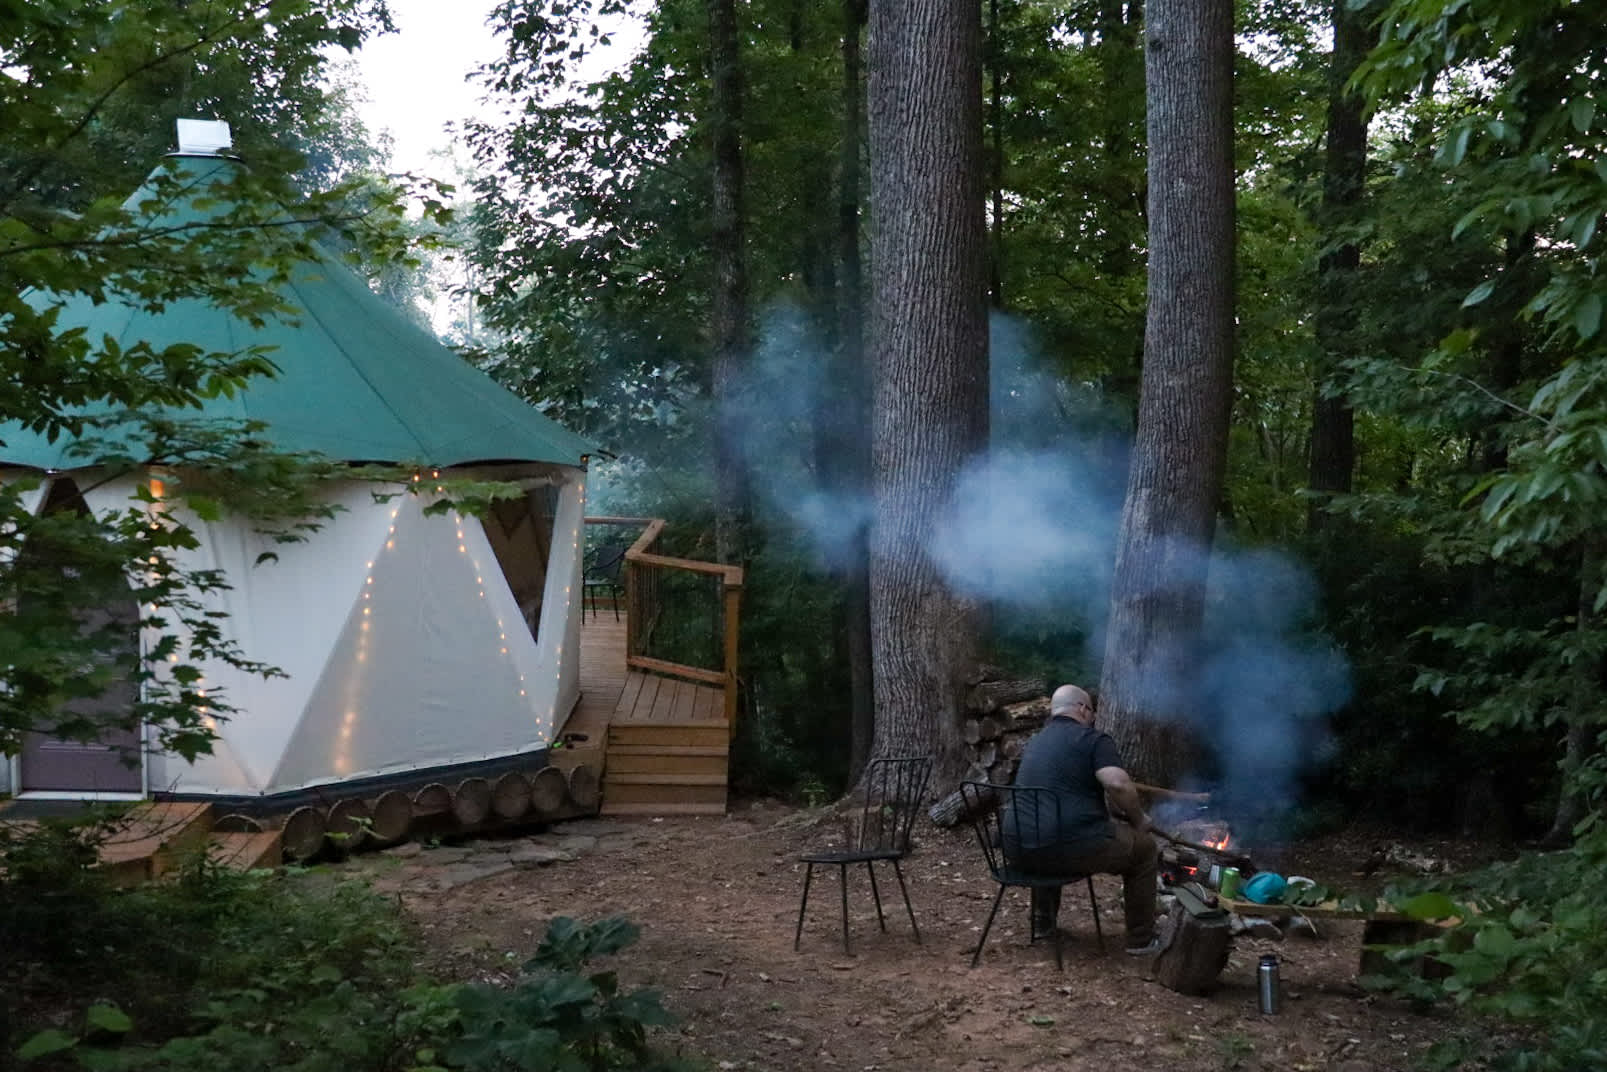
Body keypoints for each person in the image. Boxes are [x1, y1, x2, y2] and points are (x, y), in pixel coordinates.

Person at [1005, 683, 1165, 955]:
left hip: (1018, 846)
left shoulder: (1035, 742)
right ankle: (1141, 939)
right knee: (1145, 851)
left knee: (1046, 833)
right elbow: (1117, 784)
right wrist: (1138, 818)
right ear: (1081, 708)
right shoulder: (1093, 739)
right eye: (1091, 711)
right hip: (1066, 848)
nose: (1092, 717)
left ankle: (1042, 924)